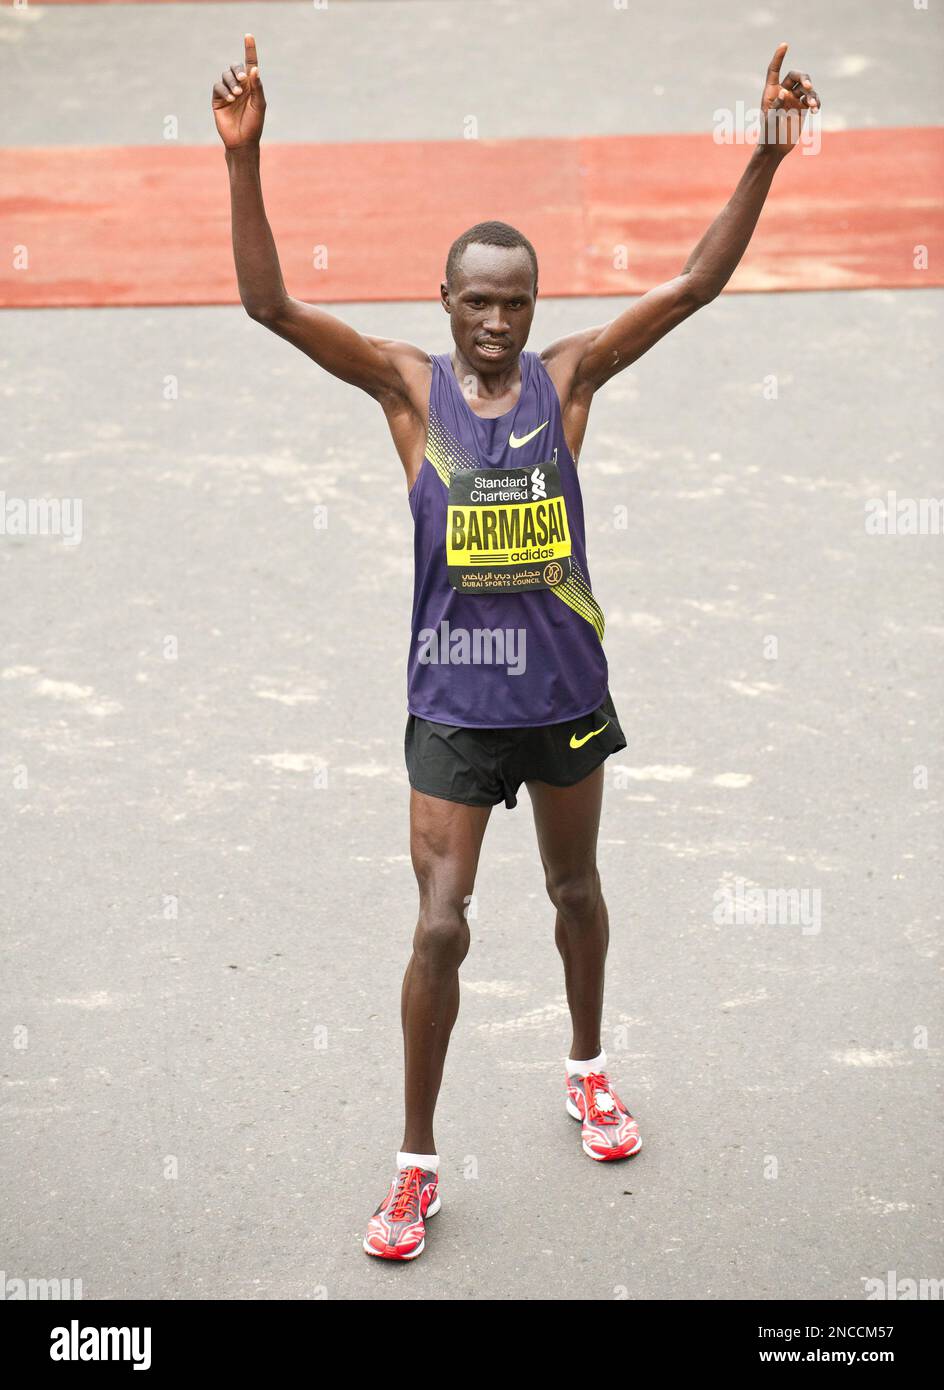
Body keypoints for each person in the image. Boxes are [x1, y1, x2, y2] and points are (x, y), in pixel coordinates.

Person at [212, 34, 819, 1261]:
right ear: (444, 306)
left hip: (562, 697)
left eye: (514, 302)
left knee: (574, 893)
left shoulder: (569, 377)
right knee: (438, 924)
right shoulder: (404, 390)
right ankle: (414, 1163)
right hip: (450, 707)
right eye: (474, 301)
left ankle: (586, 1067)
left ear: (533, 309)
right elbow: (269, 306)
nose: (495, 322)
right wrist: (245, 157)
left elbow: (694, 286)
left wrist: (765, 150)